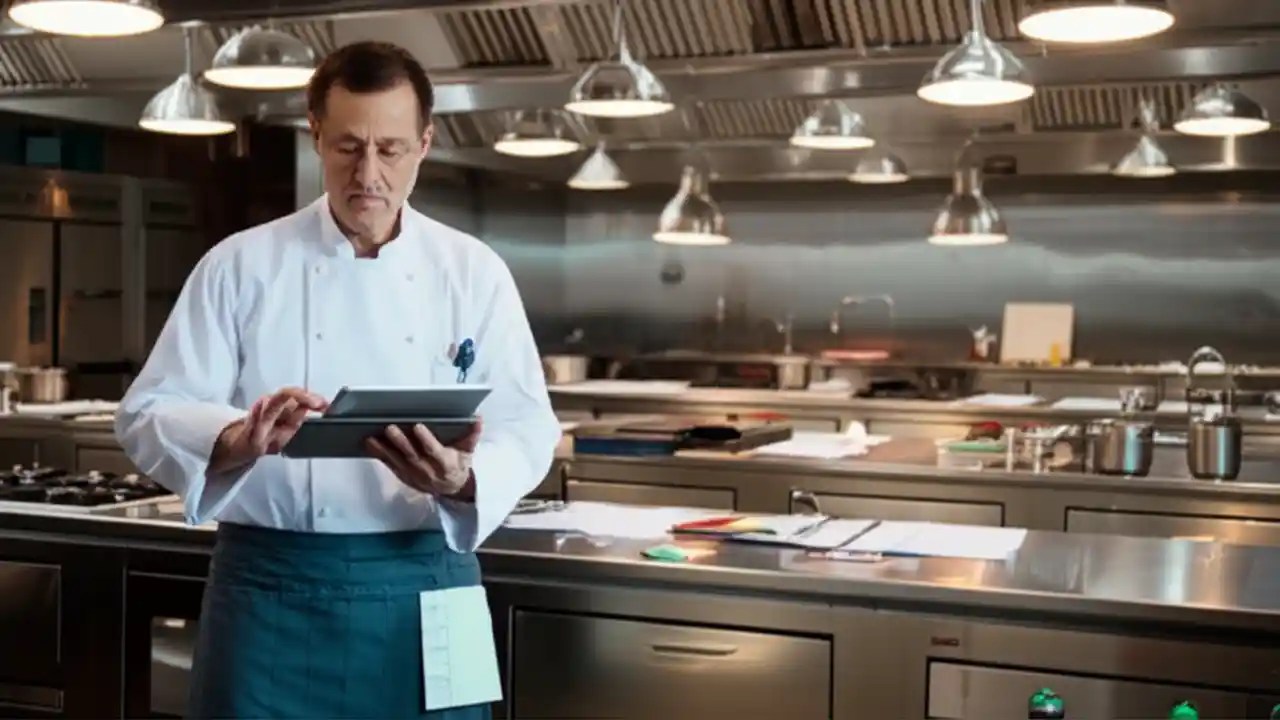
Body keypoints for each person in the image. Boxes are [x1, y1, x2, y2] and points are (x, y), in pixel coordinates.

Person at [115, 40, 560, 719]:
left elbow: (527, 425)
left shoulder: (474, 272)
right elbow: (149, 409)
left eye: (391, 149)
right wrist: (233, 438)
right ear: (316, 135)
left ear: (425, 144)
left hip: (431, 586)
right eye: (348, 147)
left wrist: (463, 479)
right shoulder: (239, 265)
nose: (368, 174)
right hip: (269, 590)